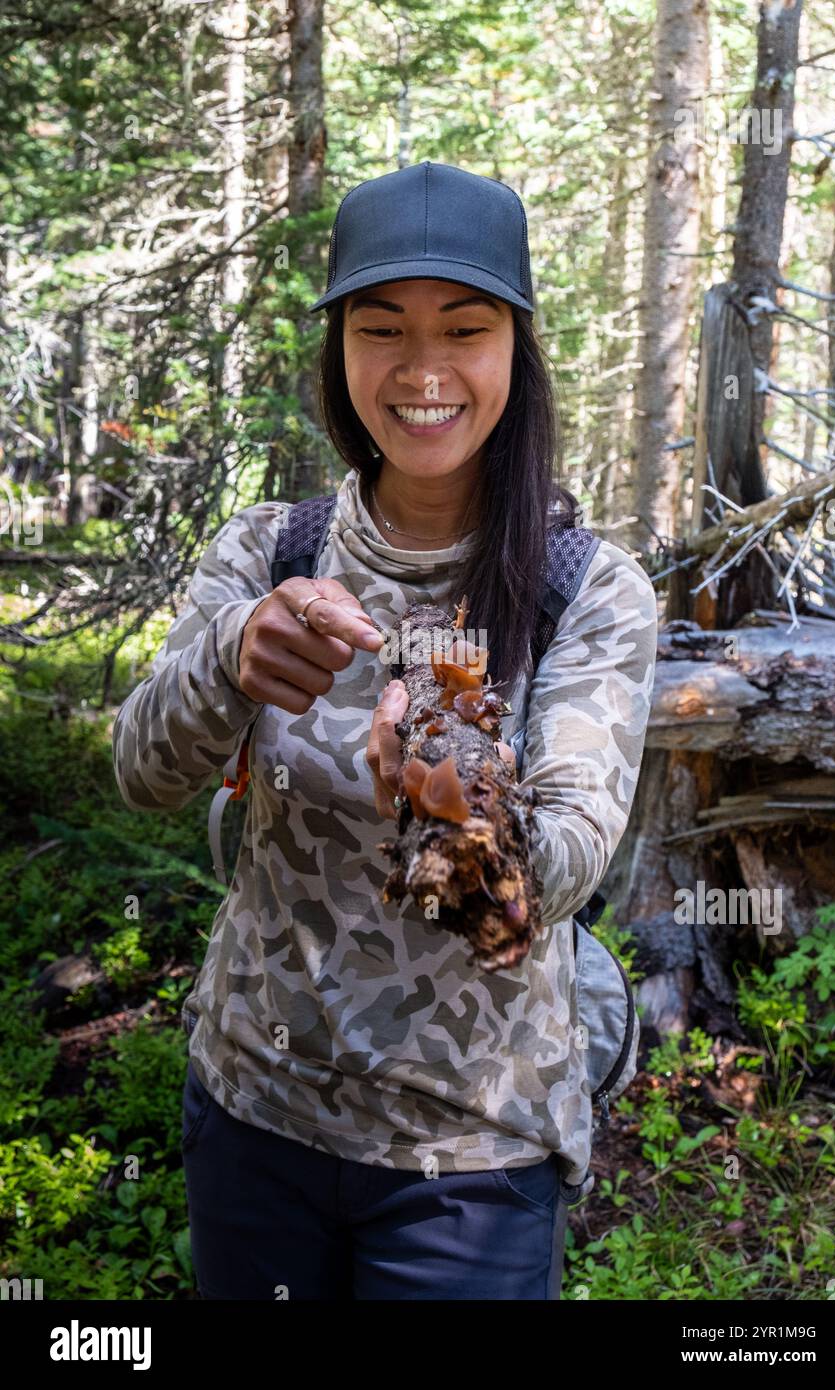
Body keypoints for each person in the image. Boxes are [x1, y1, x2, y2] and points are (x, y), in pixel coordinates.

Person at [112, 160, 658, 1300]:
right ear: (339, 351)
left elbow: (552, 878)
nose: (421, 371)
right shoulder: (270, 553)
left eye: (464, 327)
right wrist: (228, 659)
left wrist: (450, 789)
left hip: (468, 1153)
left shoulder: (583, 588)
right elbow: (142, 772)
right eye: (379, 329)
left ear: (515, 348)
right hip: (255, 1109)